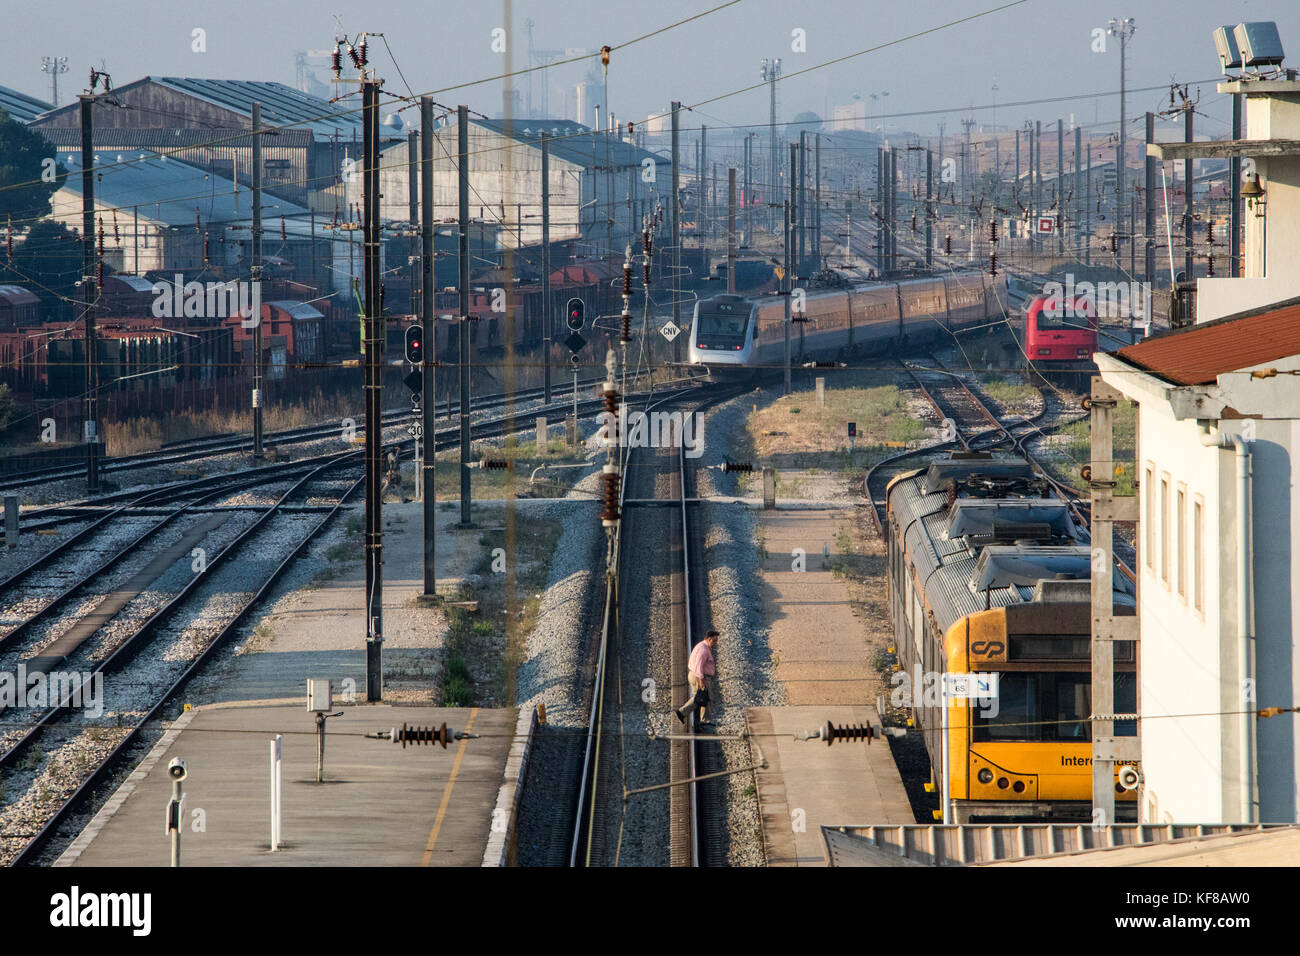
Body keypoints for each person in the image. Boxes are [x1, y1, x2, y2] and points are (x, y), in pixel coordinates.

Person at [675, 630, 718, 725]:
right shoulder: (703, 650)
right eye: (714, 641)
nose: (716, 643)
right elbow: (698, 667)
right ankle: (682, 712)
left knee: (705, 697)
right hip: (699, 676)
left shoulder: (702, 646)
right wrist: (701, 681)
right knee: (700, 697)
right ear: (709, 639)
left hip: (698, 675)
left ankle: (705, 720)